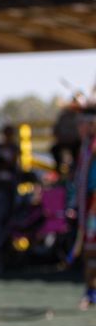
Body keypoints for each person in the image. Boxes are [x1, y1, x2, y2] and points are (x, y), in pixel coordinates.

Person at [72, 110, 96, 309]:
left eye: (83, 123)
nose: (79, 127)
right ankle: (90, 292)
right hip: (87, 205)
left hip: (93, 205)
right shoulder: (86, 147)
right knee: (89, 251)